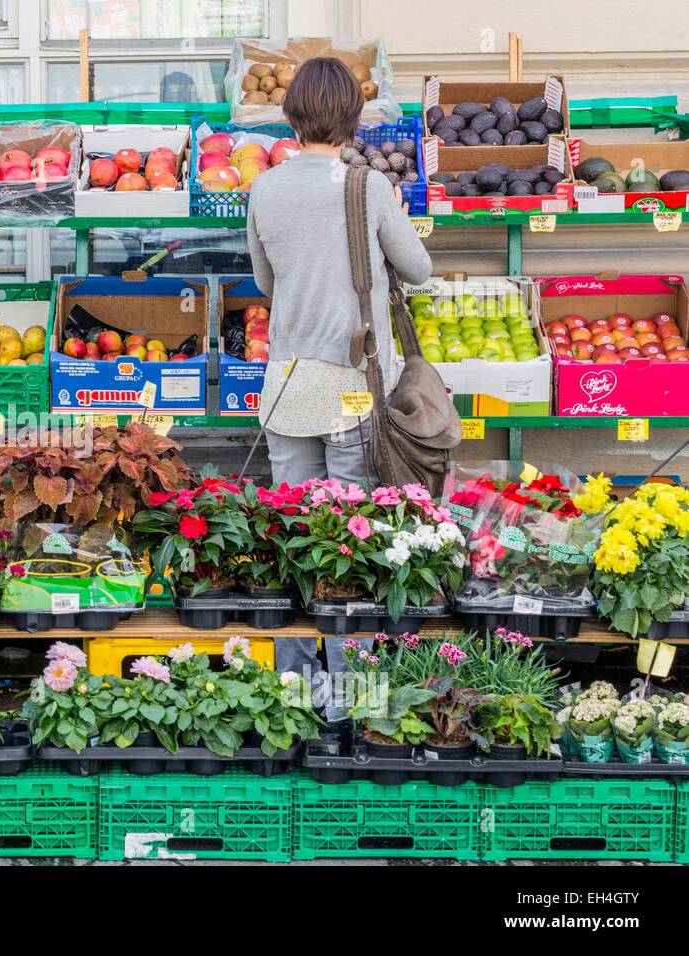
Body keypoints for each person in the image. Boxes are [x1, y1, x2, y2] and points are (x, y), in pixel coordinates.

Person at [245, 56, 432, 726]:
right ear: (353, 117)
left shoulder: (263, 189)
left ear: (291, 116)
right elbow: (420, 267)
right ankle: (351, 701)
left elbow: (266, 283)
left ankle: (296, 698)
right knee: (348, 535)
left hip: (291, 379)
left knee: (295, 527)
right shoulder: (365, 186)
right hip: (352, 383)